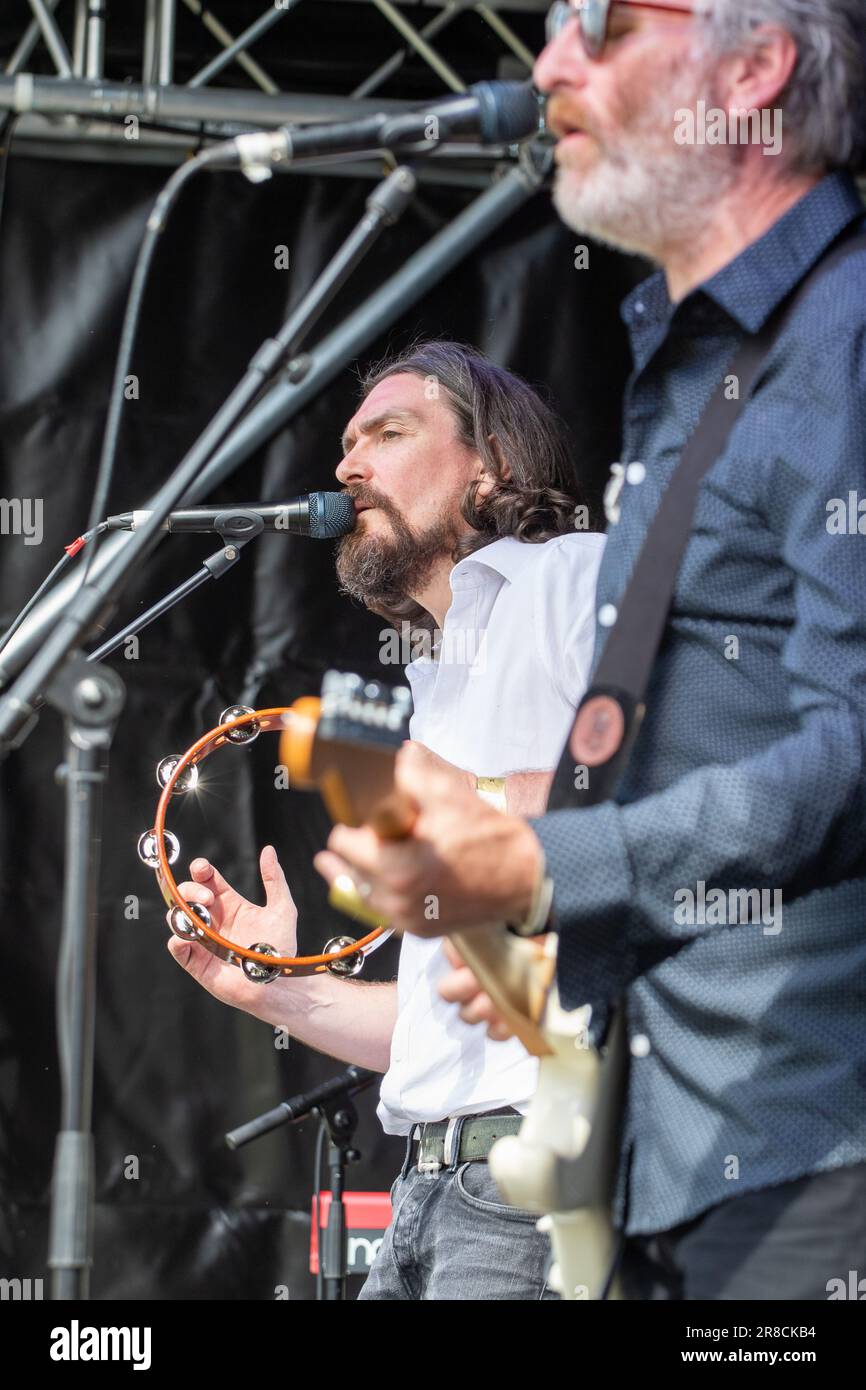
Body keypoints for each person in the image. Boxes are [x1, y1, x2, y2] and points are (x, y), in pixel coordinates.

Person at [316, 2, 866, 1299]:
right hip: (668, 1143)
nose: (549, 63)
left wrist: (547, 855)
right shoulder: (690, 368)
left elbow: (850, 744)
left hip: (813, 1138)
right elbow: (721, 744)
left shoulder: (842, 333)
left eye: (604, 26)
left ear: (753, 69)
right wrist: (574, 926)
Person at [168, 340, 606, 1299]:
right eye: (345, 443)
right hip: (426, 1194)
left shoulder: (581, 577)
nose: (347, 466)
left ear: (489, 465)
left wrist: (471, 799)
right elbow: (436, 1031)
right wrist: (273, 988)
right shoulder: (436, 677)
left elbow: (674, 798)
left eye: (388, 433)